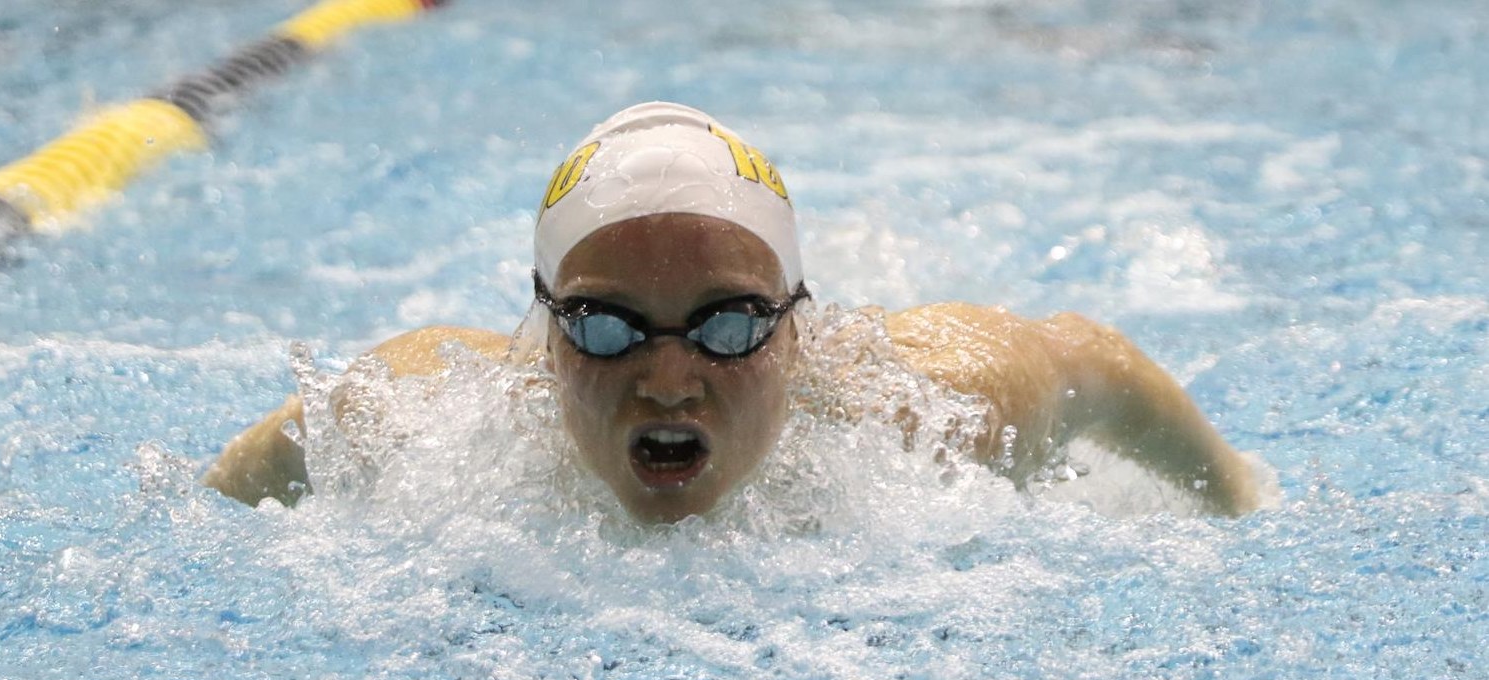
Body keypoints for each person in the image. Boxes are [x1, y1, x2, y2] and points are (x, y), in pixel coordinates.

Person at [203, 102, 1263, 521]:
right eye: (606, 326)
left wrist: (1244, 509)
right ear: (542, 329)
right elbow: (200, 515)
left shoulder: (934, 412)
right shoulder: (418, 412)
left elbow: (1094, 357)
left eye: (727, 324)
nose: (668, 378)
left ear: (795, 324)